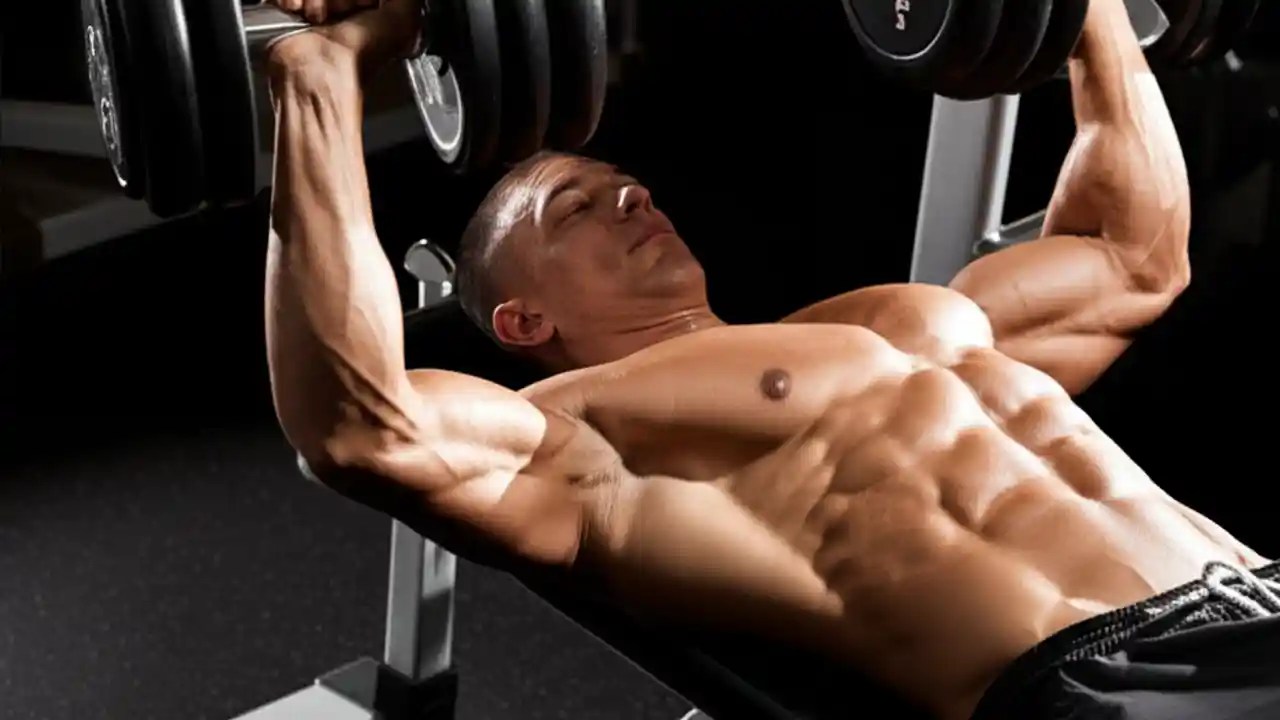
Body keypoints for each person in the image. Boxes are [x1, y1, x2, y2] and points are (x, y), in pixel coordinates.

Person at [262, 1, 1280, 718]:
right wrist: (323, 84)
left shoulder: (902, 319)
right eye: (573, 207)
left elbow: (1134, 257)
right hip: (1108, 679)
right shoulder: (584, 437)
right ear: (522, 321)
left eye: (626, 185)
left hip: (1255, 597)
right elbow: (360, 423)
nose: (631, 198)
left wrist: (1082, 9)